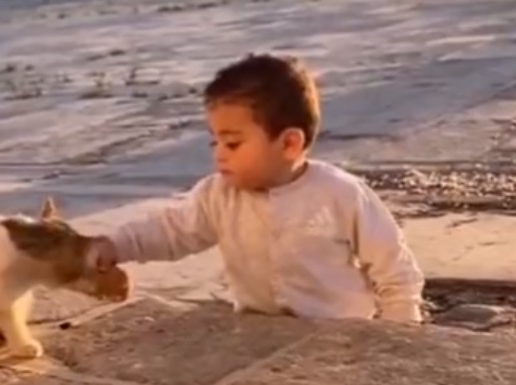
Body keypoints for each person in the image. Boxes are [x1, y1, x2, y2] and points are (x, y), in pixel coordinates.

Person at [90, 53, 424, 323]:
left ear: (289, 143)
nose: (219, 153)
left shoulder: (341, 193)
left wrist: (399, 333)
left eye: (232, 143)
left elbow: (393, 268)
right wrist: (115, 245)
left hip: (339, 339)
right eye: (215, 141)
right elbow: (170, 231)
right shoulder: (218, 195)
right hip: (256, 335)